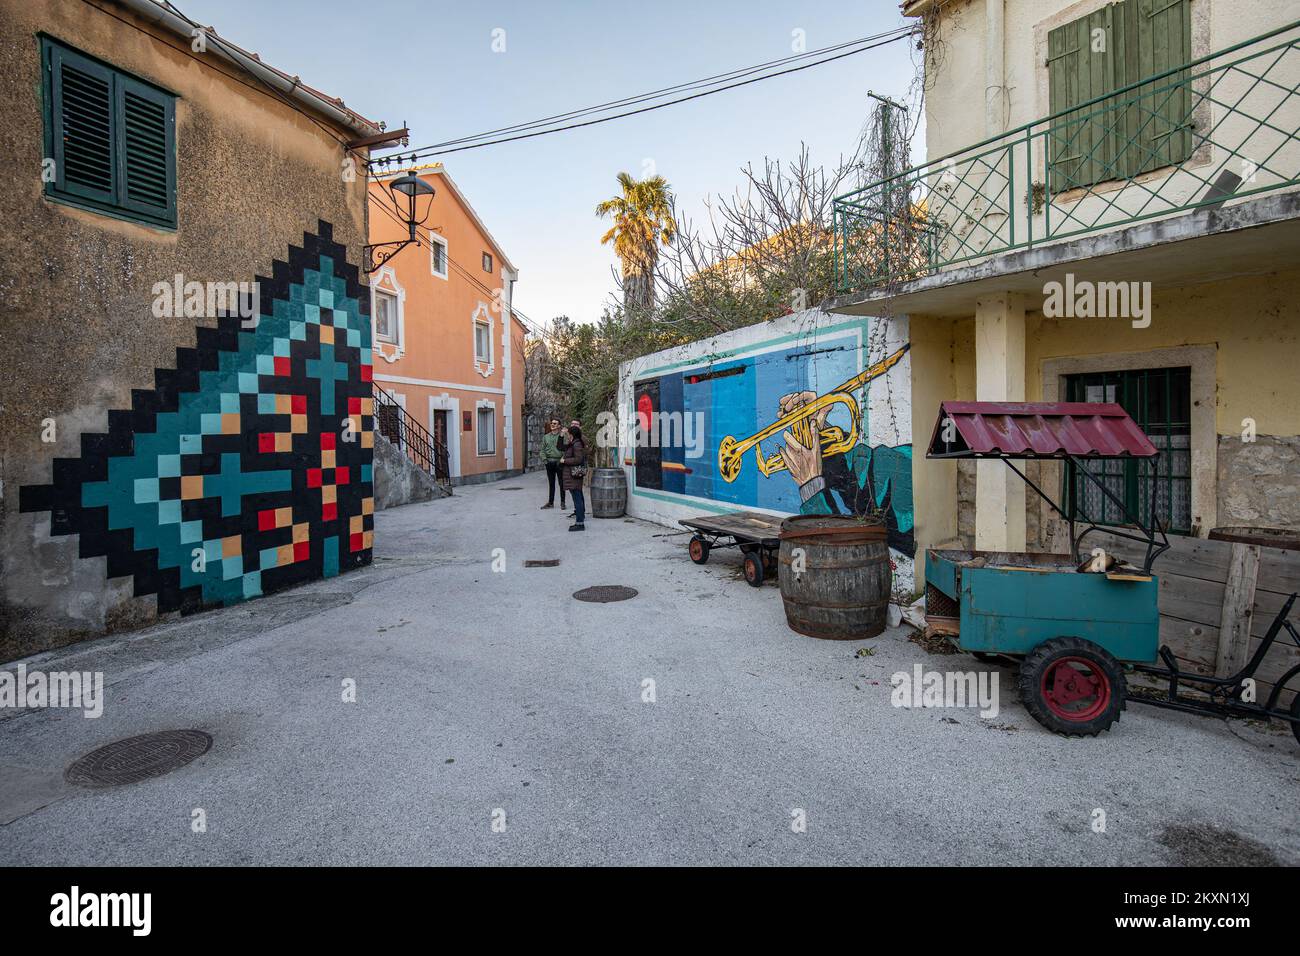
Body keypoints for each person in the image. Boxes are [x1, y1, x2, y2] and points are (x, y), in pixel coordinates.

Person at [560, 424, 587, 531]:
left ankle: (580, 523)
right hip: (572, 476)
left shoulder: (576, 444)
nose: (568, 435)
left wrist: (564, 461)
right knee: (578, 498)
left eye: (568, 433)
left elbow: (578, 459)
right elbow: (561, 446)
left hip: (574, 476)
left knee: (577, 499)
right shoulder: (574, 443)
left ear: (571, 434)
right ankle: (580, 520)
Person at [540, 419, 565, 510]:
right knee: (551, 483)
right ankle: (551, 503)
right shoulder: (546, 437)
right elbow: (542, 450)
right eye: (551, 423)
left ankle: (563, 502)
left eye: (555, 423)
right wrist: (545, 460)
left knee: (561, 483)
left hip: (559, 462)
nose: (552, 425)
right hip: (549, 462)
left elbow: (565, 449)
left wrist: (563, 458)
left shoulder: (562, 436)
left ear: (559, 426)